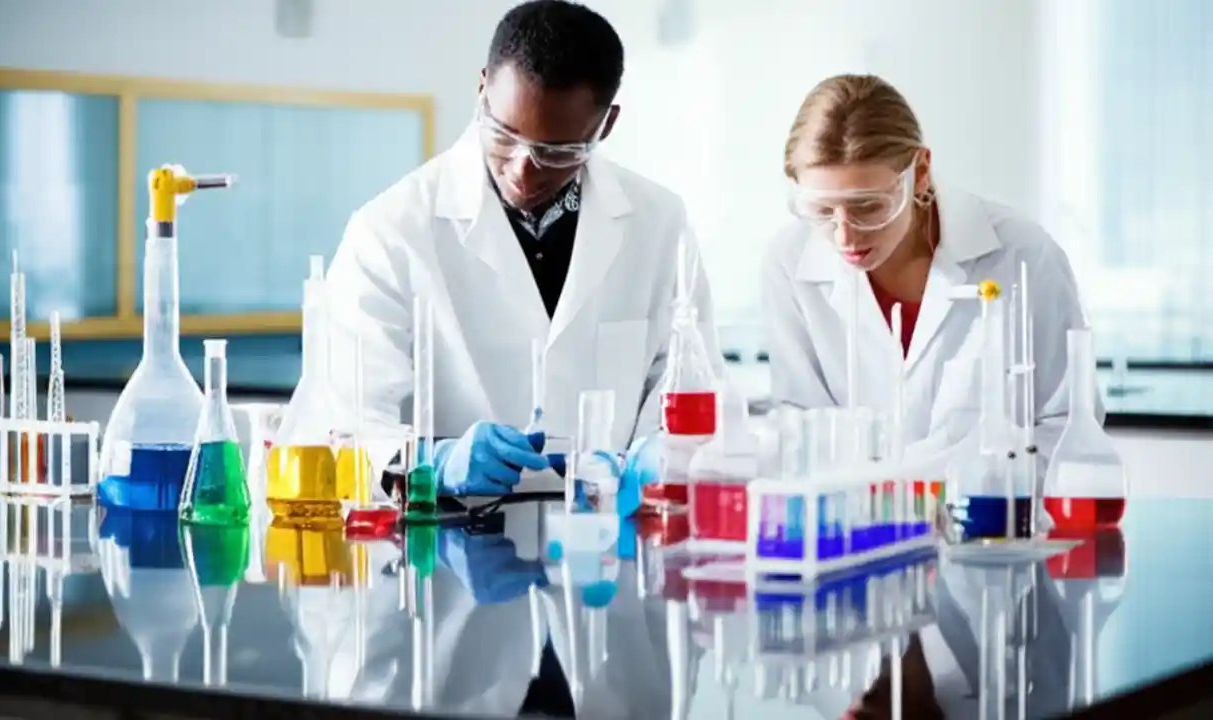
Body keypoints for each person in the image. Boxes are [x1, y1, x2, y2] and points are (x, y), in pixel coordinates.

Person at [326, 0, 716, 497]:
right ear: (483, 87)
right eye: (505, 136)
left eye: (556, 152)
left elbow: (689, 381)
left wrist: (657, 455)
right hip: (446, 546)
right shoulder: (390, 230)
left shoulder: (660, 223)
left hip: (605, 537)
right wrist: (432, 463)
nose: (523, 169)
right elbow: (348, 422)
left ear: (606, 125)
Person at [761, 74, 1099, 465]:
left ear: (920, 172)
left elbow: (1066, 427)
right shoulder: (789, 262)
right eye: (822, 210)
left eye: (869, 207)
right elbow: (801, 429)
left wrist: (947, 485)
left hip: (989, 520)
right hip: (853, 518)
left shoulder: (1023, 256)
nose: (845, 237)